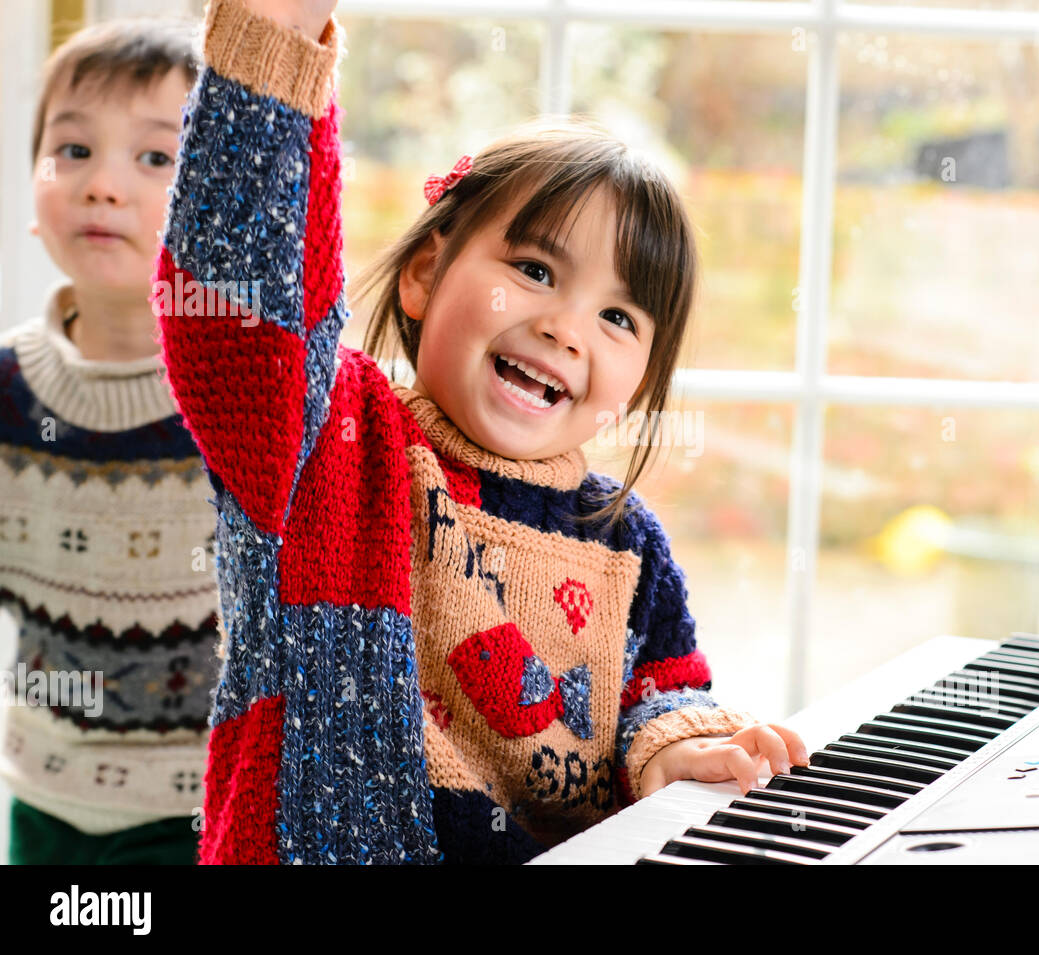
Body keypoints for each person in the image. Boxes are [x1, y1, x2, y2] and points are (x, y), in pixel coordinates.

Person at [155, 0, 808, 865]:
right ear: (426, 273)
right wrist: (277, 36)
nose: (567, 329)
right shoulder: (330, 440)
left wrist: (671, 748)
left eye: (618, 315)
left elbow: (661, 693)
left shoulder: (625, 542)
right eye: (534, 270)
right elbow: (243, 302)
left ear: (641, 378)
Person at [0, 17, 221, 864]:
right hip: (45, 800)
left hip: (200, 812)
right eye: (74, 151)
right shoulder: (10, 392)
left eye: (156, 158)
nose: (104, 186)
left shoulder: (239, 407)